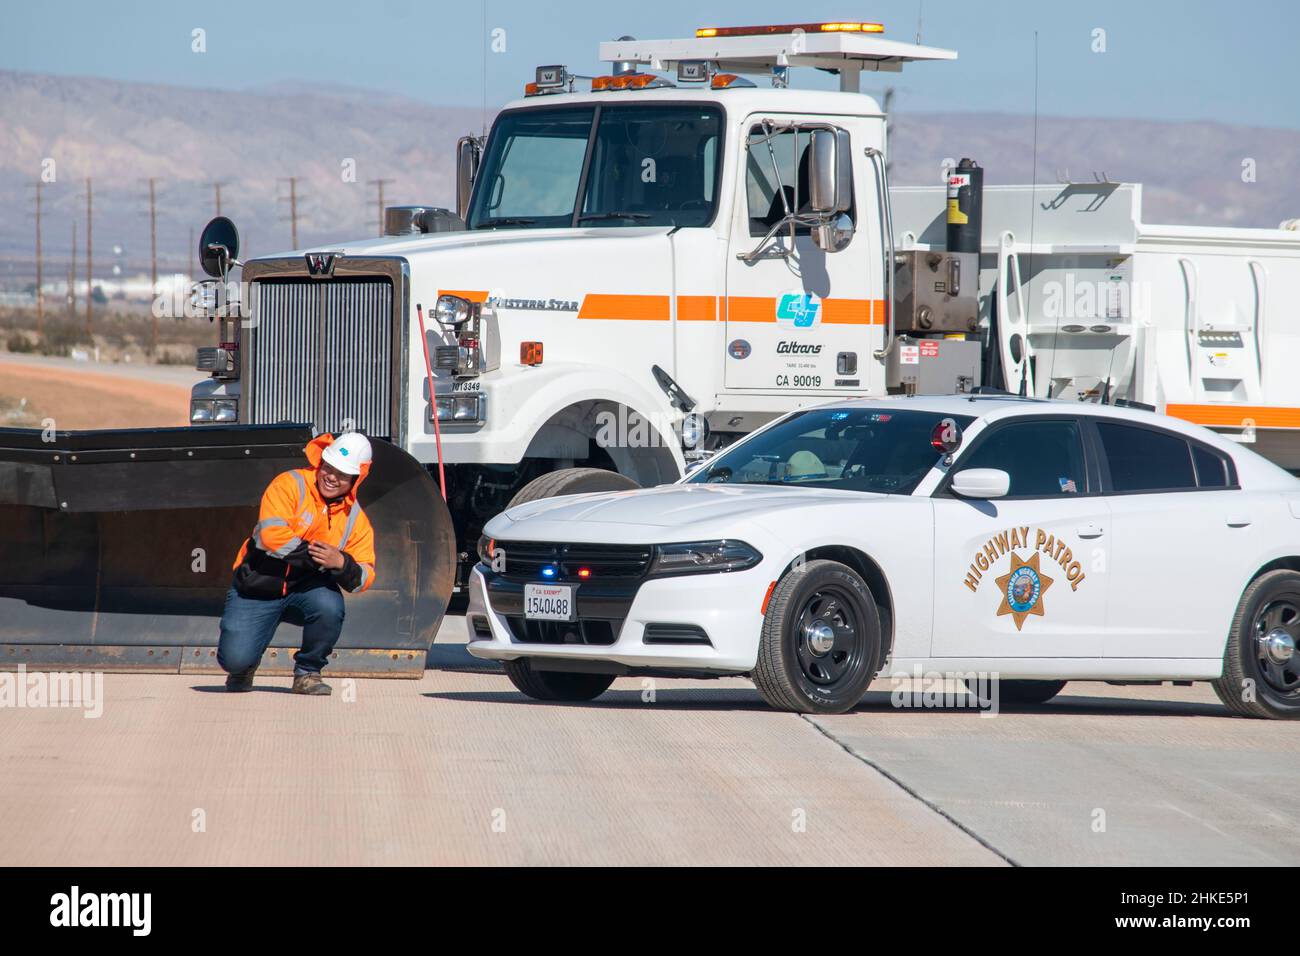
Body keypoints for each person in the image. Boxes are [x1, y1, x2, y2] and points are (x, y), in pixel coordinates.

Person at [217, 432, 376, 695]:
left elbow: (365, 576)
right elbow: (272, 536)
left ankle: (308, 673)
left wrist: (341, 563)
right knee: (233, 660)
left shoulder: (355, 519)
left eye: (342, 474)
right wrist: (319, 558)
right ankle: (245, 667)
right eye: (329, 467)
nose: (332, 477)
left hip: (306, 589)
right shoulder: (290, 484)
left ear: (356, 480)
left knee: (329, 607)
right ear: (320, 463)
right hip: (258, 582)